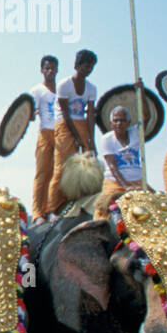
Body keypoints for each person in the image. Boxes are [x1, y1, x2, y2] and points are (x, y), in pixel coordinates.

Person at [47, 49, 97, 216]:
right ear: (77, 66)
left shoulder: (91, 88)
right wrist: (77, 138)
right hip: (64, 124)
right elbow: (66, 114)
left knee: (89, 161)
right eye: (86, 66)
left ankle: (86, 201)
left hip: (81, 122)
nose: (88, 70)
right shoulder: (64, 85)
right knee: (61, 166)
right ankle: (54, 208)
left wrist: (91, 141)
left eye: (91, 67)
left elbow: (90, 115)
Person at [96, 105, 144, 218]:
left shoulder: (136, 133)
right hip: (115, 183)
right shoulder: (107, 139)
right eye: (115, 120)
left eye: (122, 120)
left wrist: (140, 90)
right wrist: (126, 186)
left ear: (128, 122)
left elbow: (145, 116)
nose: (119, 123)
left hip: (137, 182)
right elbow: (112, 166)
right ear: (111, 123)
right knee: (103, 213)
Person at [29, 55, 60, 221]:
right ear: (42, 70)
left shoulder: (62, 89)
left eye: (53, 68)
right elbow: (31, 113)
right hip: (45, 133)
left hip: (61, 133)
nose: (50, 71)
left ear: (57, 69)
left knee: (57, 173)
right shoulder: (37, 90)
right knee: (42, 173)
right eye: (47, 68)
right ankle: (38, 212)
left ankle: (53, 207)